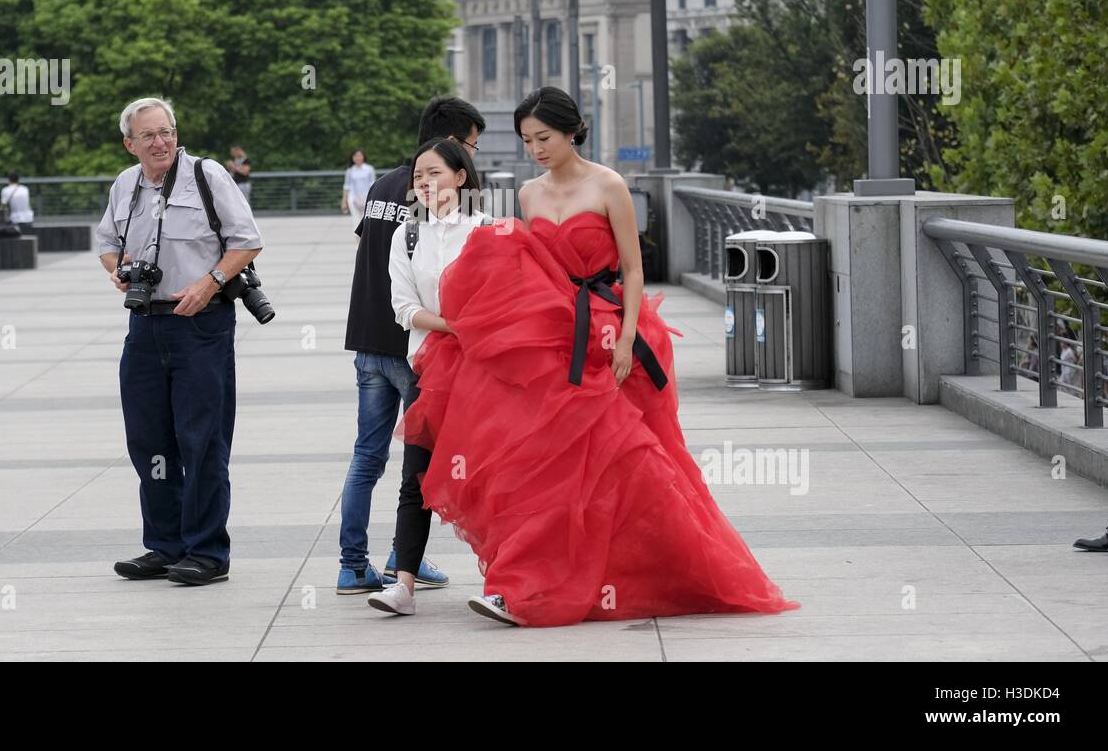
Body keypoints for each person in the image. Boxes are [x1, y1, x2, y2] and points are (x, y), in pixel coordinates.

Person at [399, 86, 800, 627]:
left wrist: (629, 337)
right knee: (542, 467)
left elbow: (634, 269)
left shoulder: (609, 184)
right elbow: (532, 272)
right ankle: (522, 586)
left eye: (543, 137)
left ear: (572, 131)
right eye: (526, 140)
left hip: (611, 329)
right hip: (555, 336)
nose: (536, 149)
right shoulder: (527, 194)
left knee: (630, 465)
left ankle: (665, 573)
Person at [96, 97, 264, 586]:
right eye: (147, 135)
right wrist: (120, 273)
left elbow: (247, 239)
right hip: (145, 325)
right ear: (130, 144)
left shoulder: (208, 176)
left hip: (201, 323)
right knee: (149, 439)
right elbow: (107, 246)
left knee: (202, 439)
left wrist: (210, 281)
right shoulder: (124, 187)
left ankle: (207, 551)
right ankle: (165, 546)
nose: (160, 141)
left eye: (166, 131)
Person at [338, 97, 485, 595]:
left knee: (366, 456)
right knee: (419, 463)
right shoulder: (438, 195)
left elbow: (364, 252)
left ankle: (353, 565)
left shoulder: (383, 184)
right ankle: (407, 557)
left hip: (368, 338)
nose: (471, 155)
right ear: (450, 141)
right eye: (469, 145)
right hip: (417, 348)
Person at [368, 139, 488, 617]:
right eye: (419, 176)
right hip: (430, 370)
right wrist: (452, 325)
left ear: (460, 177)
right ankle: (404, 585)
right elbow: (404, 309)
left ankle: (502, 580)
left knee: (491, 474)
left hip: (484, 370)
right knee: (415, 476)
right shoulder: (407, 236)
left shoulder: (488, 229)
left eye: (435, 173)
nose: (425, 183)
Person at [342, 149, 375, 225]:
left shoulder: (369, 169)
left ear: (363, 157)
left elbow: (373, 184)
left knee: (366, 220)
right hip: (353, 198)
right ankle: (357, 237)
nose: (358, 158)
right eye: (355, 156)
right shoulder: (350, 171)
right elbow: (346, 186)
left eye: (359, 155)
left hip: (367, 198)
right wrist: (344, 201)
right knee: (356, 220)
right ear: (352, 158)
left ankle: (365, 237)